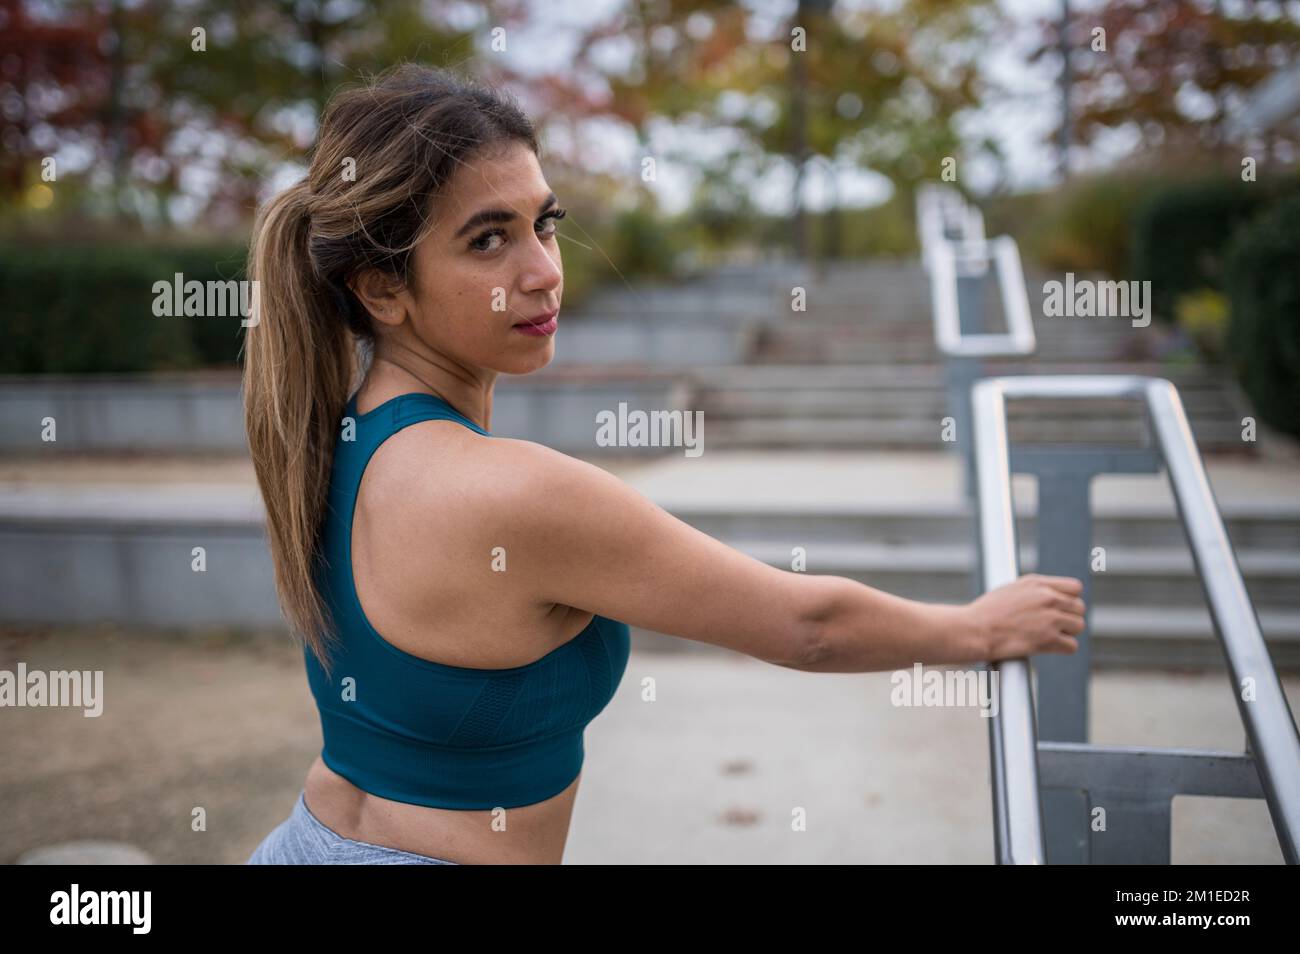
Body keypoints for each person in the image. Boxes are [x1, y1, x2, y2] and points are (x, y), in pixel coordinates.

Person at [242, 63, 1084, 865]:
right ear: (382, 290)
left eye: (544, 223)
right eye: (488, 240)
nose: (543, 272)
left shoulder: (335, 439)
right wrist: (978, 628)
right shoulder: (511, 493)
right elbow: (807, 627)